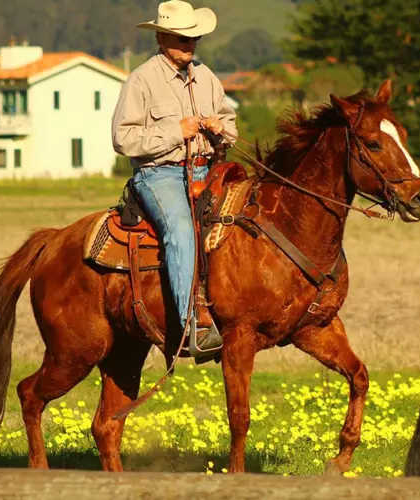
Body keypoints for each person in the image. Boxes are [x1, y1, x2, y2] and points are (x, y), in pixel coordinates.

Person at [112, 0, 238, 359]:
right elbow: (123, 139)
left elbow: (231, 125)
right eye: (182, 39)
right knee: (181, 229)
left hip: (206, 169)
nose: (190, 45)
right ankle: (190, 327)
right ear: (162, 38)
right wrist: (174, 131)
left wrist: (220, 129)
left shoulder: (207, 77)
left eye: (193, 38)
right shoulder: (142, 80)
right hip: (159, 173)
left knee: (244, 220)